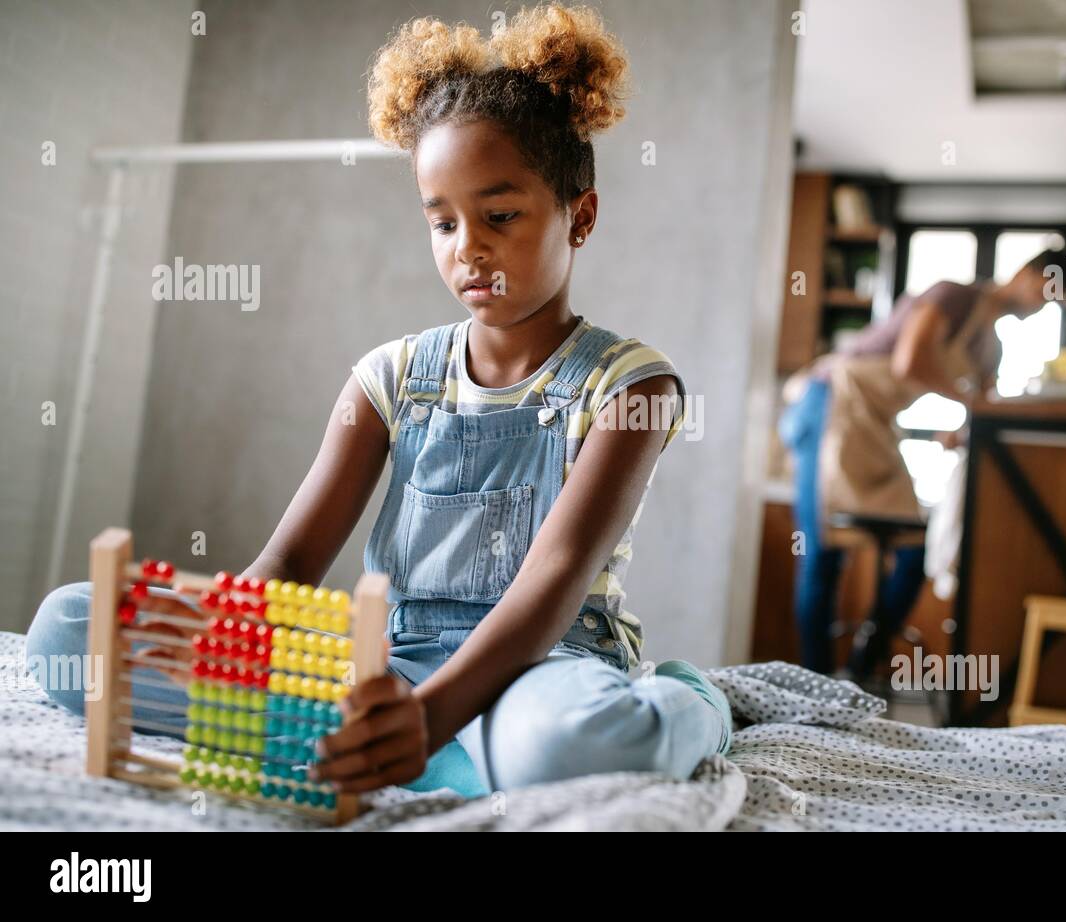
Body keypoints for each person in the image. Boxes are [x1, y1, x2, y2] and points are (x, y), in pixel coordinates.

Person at [25, 4, 731, 799]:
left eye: (499, 215)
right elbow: (289, 563)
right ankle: (418, 754)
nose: (468, 246)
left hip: (541, 666)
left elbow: (554, 577)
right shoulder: (389, 377)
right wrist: (216, 633)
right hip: (387, 661)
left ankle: (691, 701)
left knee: (569, 743)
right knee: (69, 628)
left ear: (582, 215)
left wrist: (431, 715)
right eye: (442, 222)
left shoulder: (632, 385)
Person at [779, 249, 1066, 676]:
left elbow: (981, 409)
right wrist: (966, 399)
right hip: (834, 404)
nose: (1047, 304)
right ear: (1027, 273)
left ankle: (857, 674)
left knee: (916, 551)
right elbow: (910, 361)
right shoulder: (953, 296)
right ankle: (813, 686)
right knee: (823, 551)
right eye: (1049, 291)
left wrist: (964, 427)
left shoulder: (992, 347)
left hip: (878, 427)